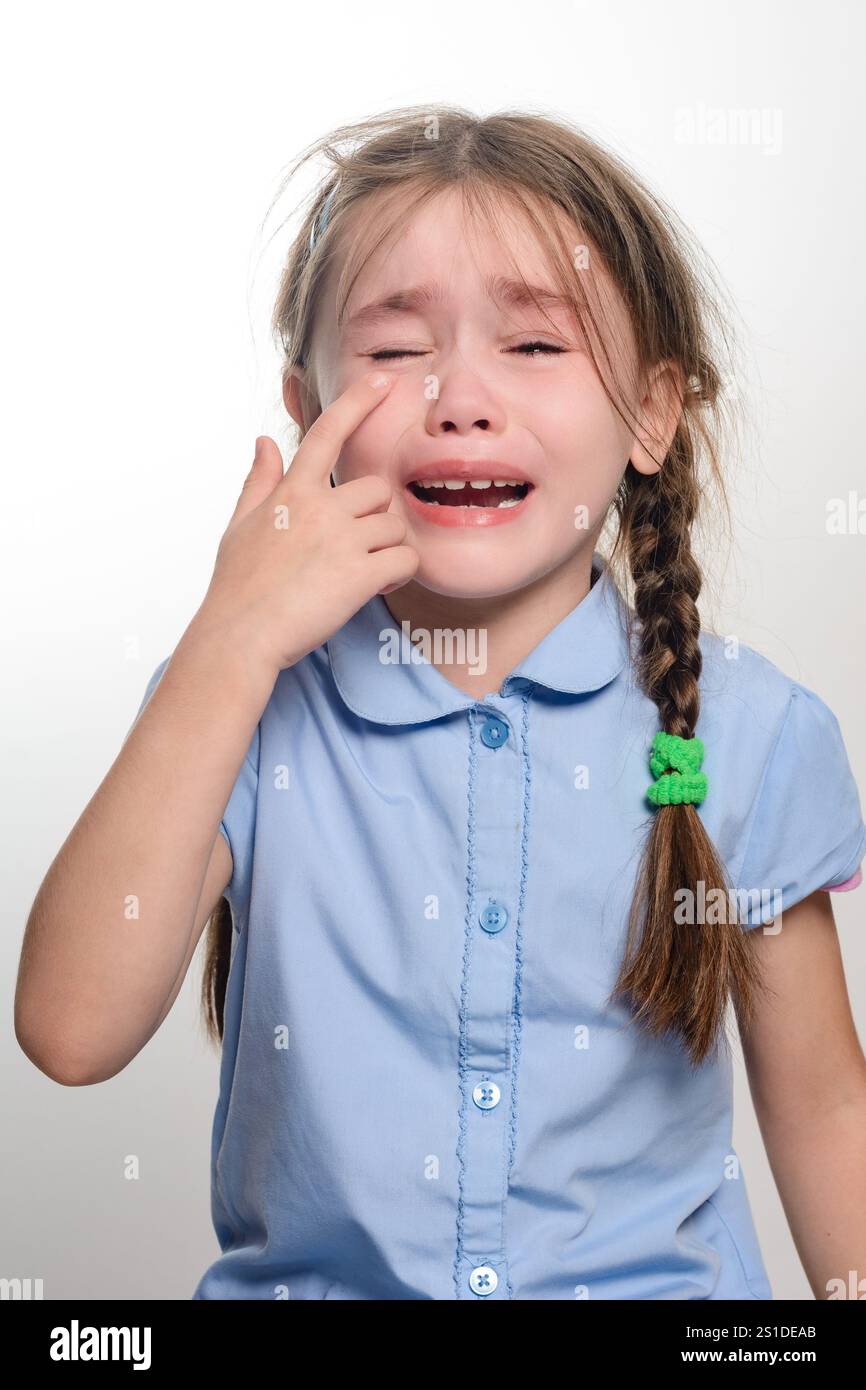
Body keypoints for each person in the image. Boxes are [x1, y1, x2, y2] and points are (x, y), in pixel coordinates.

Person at [17, 104, 866, 1301]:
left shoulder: (743, 733)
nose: (460, 395)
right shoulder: (238, 706)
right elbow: (68, 1029)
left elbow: (826, 1108)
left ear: (649, 413)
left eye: (533, 347)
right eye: (393, 348)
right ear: (308, 415)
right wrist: (227, 643)